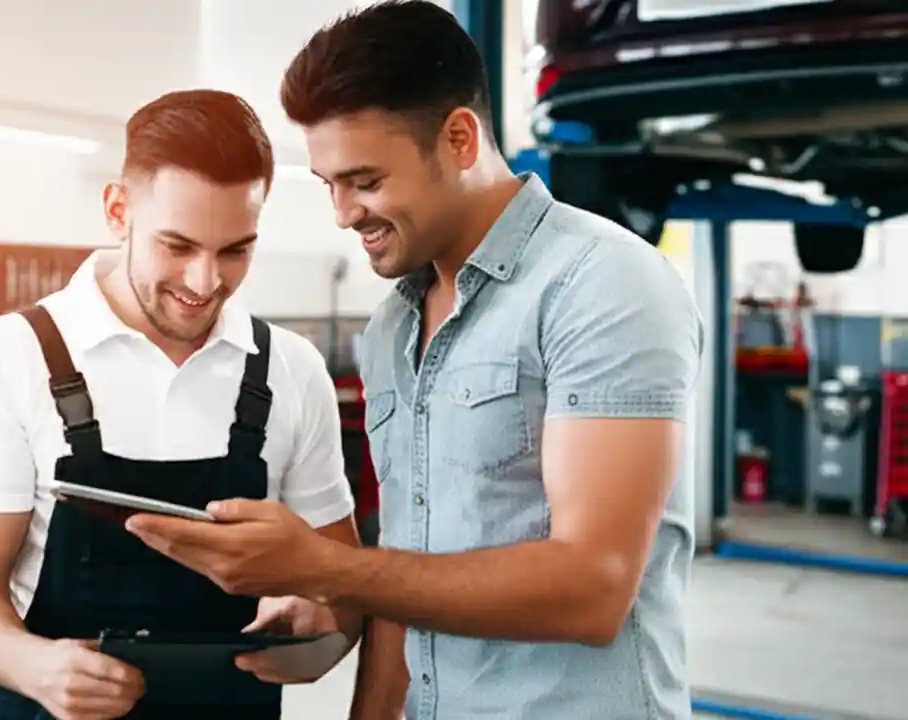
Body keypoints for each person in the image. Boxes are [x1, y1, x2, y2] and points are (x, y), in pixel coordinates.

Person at [124, 3, 704, 719]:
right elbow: (400, 572)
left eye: (364, 181)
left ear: (459, 138)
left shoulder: (602, 283)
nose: (342, 213)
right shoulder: (395, 324)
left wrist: (322, 567)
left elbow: (593, 587)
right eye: (328, 184)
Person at [0, 88, 362, 720]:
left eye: (235, 250)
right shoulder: (8, 357)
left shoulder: (291, 372)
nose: (205, 282)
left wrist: (325, 628)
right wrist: (37, 667)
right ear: (117, 211)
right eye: (178, 246)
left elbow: (345, 580)